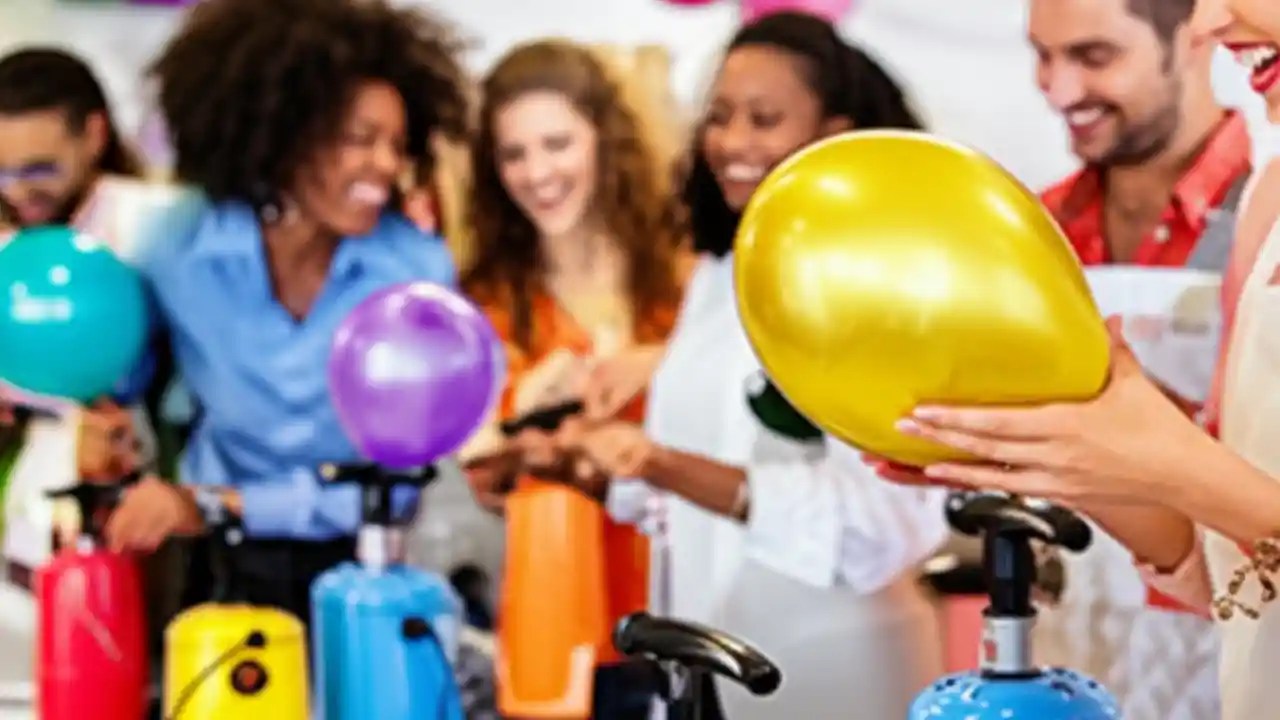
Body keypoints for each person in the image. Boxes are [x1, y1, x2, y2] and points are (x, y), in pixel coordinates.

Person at [869, 0, 1280, 716]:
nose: (1211, 21)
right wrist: (1049, 448)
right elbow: (1236, 580)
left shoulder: (1250, 189)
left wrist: (1172, 459)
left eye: (1094, 56)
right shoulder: (1267, 210)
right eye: (1043, 55)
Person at [568, 13, 947, 719]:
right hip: (707, 664)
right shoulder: (721, 273)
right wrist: (593, 462)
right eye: (719, 117)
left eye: (764, 119)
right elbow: (698, 466)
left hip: (830, 670)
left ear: (834, 135)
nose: (732, 142)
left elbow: (885, 524)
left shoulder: (878, 284)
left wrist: (665, 465)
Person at [80, 0, 467, 628]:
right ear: (284, 135)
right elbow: (122, 379)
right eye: (359, 140)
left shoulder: (414, 274)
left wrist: (222, 502)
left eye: (397, 145)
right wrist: (104, 427)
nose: (386, 166)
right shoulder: (180, 249)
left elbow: (399, 485)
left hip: (367, 571)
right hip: (218, 569)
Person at [1029, 0, 1244, 715]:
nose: (1059, 89)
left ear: (1192, 37)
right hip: (1065, 632)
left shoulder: (1265, 218)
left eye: (1094, 57)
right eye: (1043, 55)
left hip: (1231, 636)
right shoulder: (1031, 228)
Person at [460, 39, 684, 719]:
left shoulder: (678, 275)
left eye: (557, 144)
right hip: (559, 613)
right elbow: (481, 479)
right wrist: (521, 423)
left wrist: (658, 362)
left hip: (684, 602)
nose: (538, 173)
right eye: (514, 154)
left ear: (604, 140)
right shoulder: (488, 301)